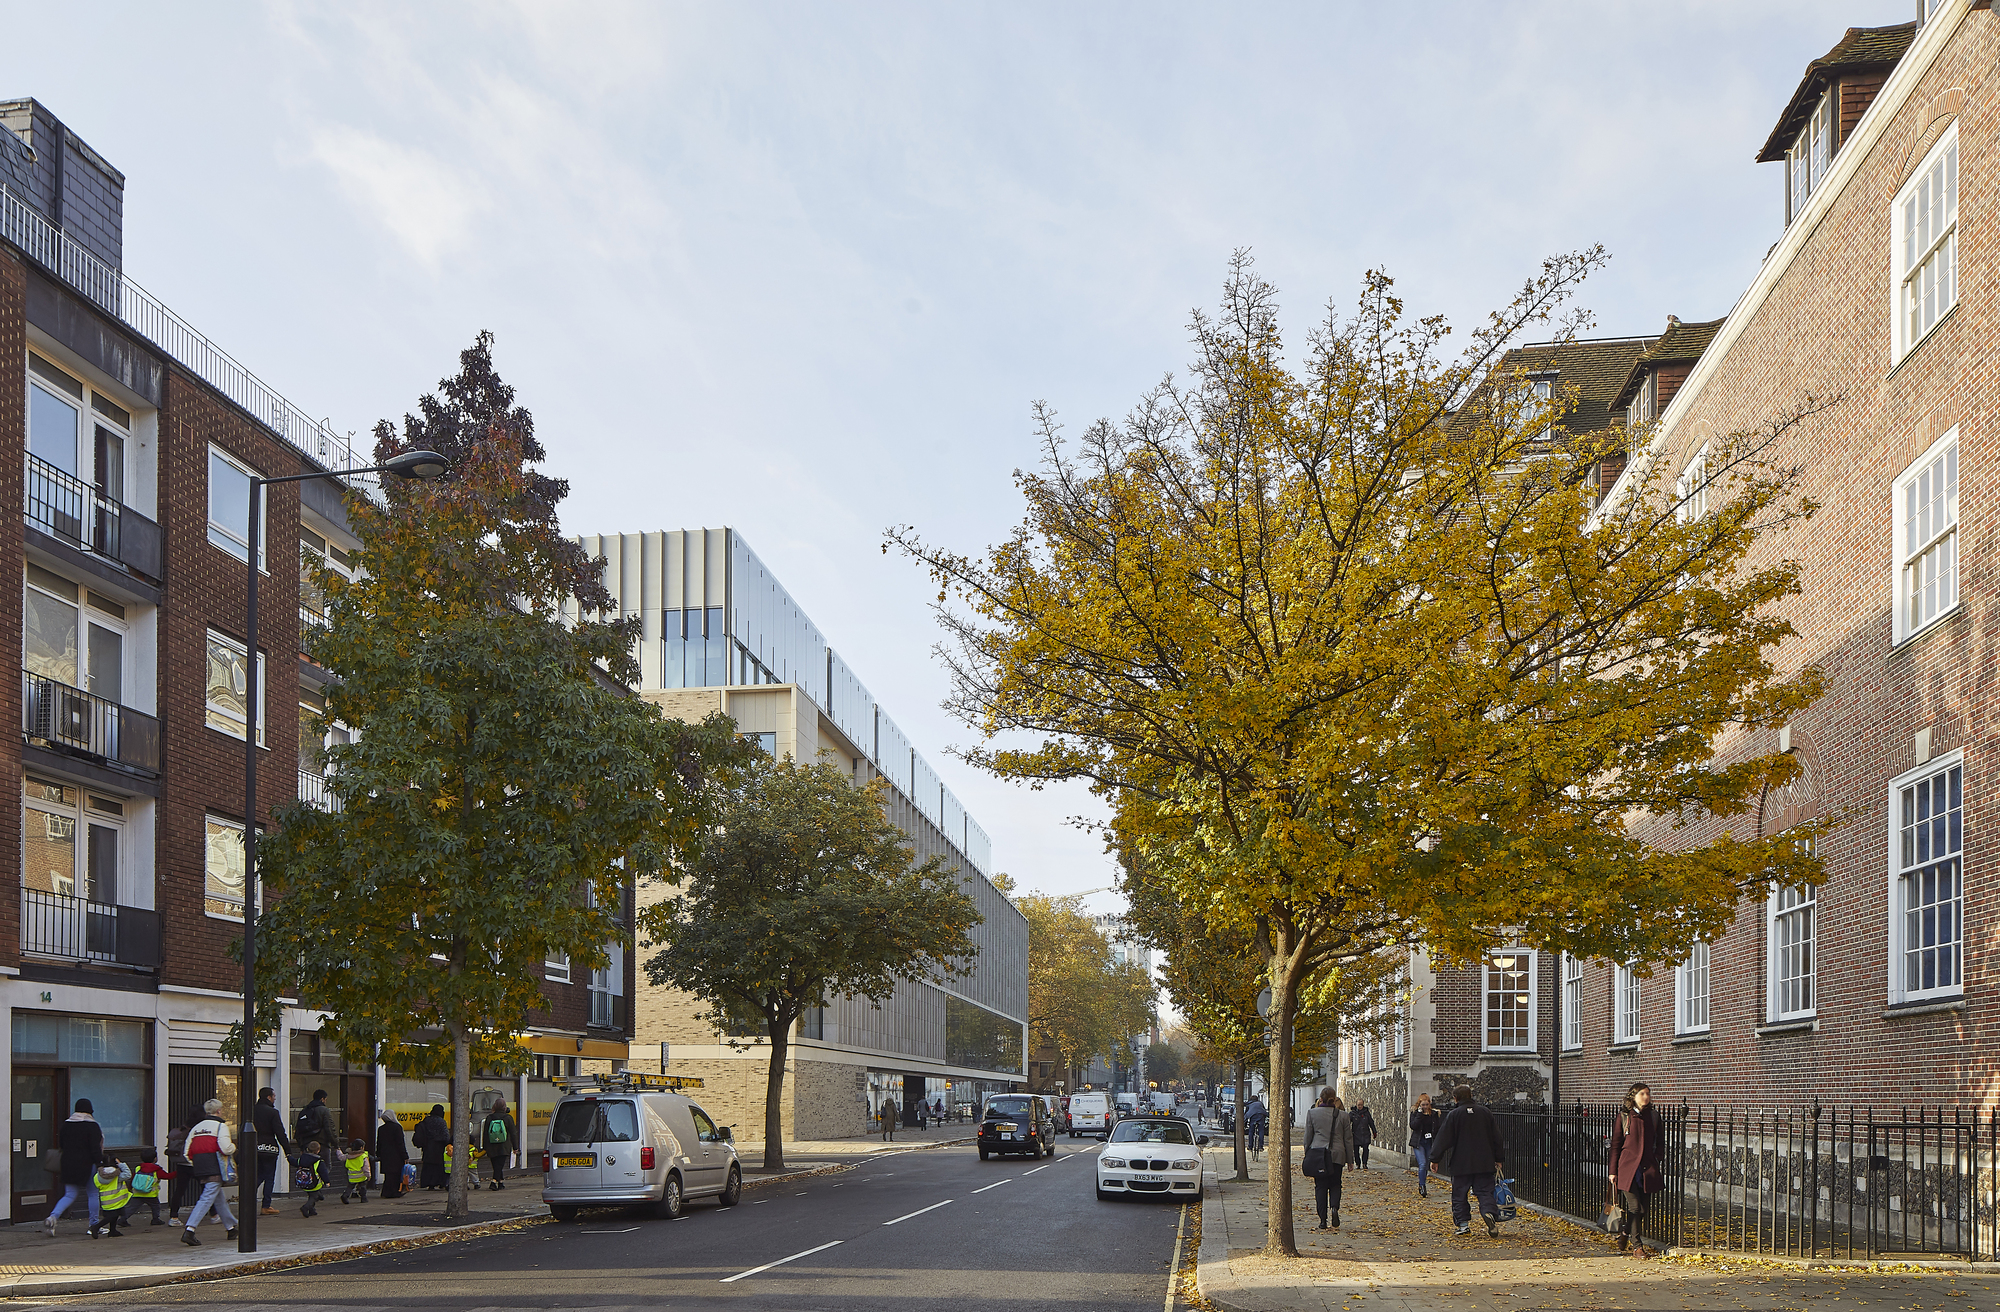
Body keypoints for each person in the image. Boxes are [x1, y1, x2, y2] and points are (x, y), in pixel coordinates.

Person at [1431, 1084, 1505, 1238]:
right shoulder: (1485, 1113)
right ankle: (1488, 1212)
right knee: (1485, 1192)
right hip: (1484, 1161)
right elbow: (1496, 1138)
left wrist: (1435, 1158)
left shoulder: (1454, 1115)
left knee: (1459, 1194)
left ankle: (1463, 1225)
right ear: (1471, 1095)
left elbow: (1443, 1138)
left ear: (1455, 1098)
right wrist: (1499, 1158)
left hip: (1461, 1162)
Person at [1608, 1081, 1666, 1257]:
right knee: (1635, 1208)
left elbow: (1661, 1142)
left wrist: (1657, 1158)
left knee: (1643, 1209)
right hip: (1628, 1169)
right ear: (1633, 1096)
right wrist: (1612, 1171)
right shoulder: (1624, 1117)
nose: (1646, 1097)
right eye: (1642, 1094)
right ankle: (1637, 1246)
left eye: (1648, 1093)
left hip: (1647, 1169)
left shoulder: (1654, 1117)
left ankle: (1625, 1233)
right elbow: (1616, 1145)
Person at [181, 1097, 238, 1245]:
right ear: (219, 1111)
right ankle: (190, 1229)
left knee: (217, 1197)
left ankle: (231, 1227)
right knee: (206, 1198)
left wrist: (197, 1162)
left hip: (200, 1166)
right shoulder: (221, 1127)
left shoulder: (196, 1128)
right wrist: (233, 1148)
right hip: (215, 1165)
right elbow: (226, 1148)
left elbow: (187, 1152)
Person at [45, 1097, 105, 1236]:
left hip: (67, 1163)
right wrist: (100, 1163)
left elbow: (62, 1144)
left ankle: (53, 1217)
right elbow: (95, 1148)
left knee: (70, 1194)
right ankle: (94, 1225)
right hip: (87, 1163)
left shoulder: (66, 1124)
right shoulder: (93, 1125)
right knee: (93, 1194)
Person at [1301, 1089, 1355, 1231]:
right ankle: (1334, 1208)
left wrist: (1307, 1154)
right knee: (1336, 1184)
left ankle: (1322, 1220)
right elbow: (1348, 1139)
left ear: (1321, 1099)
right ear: (1334, 1099)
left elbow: (1308, 1137)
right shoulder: (1343, 1116)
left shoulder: (1312, 1113)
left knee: (1320, 1187)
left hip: (1319, 1154)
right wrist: (1350, 1160)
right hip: (1337, 1155)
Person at [253, 1087, 296, 1216]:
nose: (275, 1098)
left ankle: (247, 1198)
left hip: (255, 1147)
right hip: (269, 1148)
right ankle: (266, 1206)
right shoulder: (272, 1112)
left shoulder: (251, 1111)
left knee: (258, 1175)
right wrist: (287, 1151)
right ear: (268, 1097)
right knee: (269, 1177)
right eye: (274, 1096)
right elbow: (280, 1133)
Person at [1409, 1094, 1442, 1198]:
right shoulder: (1415, 1113)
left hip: (1429, 1141)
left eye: (1427, 1104)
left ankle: (1422, 1181)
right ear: (1419, 1104)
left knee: (1427, 1163)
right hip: (1419, 1142)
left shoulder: (1433, 1114)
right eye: (1423, 1105)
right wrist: (1420, 1114)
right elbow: (1413, 1126)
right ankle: (1422, 1185)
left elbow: (1437, 1127)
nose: (1425, 1107)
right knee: (1422, 1163)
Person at [481, 1100, 517, 1191]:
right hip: (504, 1146)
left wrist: (485, 1146)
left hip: (491, 1145)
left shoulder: (489, 1117)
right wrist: (515, 1147)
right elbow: (513, 1133)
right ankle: (493, 1182)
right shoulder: (508, 1118)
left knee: (496, 1165)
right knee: (499, 1165)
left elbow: (485, 1133)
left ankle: (500, 1182)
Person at [297, 1090, 341, 1163]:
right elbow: (330, 1129)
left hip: (307, 1146)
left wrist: (301, 1147)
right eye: (325, 1099)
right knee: (324, 1168)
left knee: (309, 1168)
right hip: (322, 1145)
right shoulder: (324, 1111)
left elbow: (298, 1130)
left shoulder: (304, 1111)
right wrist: (336, 1145)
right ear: (322, 1099)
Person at [90, 1160, 132, 1238]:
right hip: (117, 1200)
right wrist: (121, 1164)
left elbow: (96, 1184)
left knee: (113, 1216)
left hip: (106, 1201)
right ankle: (96, 1227)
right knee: (112, 1216)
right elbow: (128, 1174)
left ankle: (112, 1231)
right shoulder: (117, 1176)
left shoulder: (97, 1176)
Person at [375, 1109, 410, 1199]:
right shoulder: (397, 1128)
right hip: (396, 1155)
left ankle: (386, 1192)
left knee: (388, 1175)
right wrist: (405, 1155)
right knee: (395, 1175)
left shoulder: (381, 1129)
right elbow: (400, 1143)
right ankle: (393, 1192)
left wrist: (378, 1154)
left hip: (385, 1155)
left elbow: (379, 1143)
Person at [413, 1105, 449, 1190]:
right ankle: (441, 1183)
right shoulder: (441, 1121)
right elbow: (445, 1136)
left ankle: (430, 1184)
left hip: (428, 1147)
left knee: (429, 1166)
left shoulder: (427, 1120)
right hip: (439, 1147)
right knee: (439, 1166)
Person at [129, 1149, 167, 1226]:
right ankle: (155, 1219)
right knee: (155, 1207)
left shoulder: (138, 1168)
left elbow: (133, 1178)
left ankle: (122, 1219)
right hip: (151, 1194)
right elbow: (167, 1176)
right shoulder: (156, 1169)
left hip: (137, 1192)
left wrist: (130, 1188)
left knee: (131, 1208)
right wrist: (177, 1173)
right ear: (155, 1159)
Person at [297, 1140, 328, 1216]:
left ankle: (312, 1210)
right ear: (318, 1150)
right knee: (314, 1196)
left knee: (311, 1195)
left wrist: (289, 1157)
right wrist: (327, 1181)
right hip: (314, 1182)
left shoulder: (302, 1159)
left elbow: (294, 1162)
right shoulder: (319, 1161)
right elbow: (323, 1172)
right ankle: (305, 1207)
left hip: (304, 1182)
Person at [1351, 1100, 1376, 1169]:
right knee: (1356, 1150)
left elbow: (1371, 1122)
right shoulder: (1353, 1113)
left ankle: (1365, 1163)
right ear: (1356, 1105)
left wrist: (1374, 1132)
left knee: (1366, 1149)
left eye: (1361, 1105)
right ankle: (1358, 1163)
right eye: (1359, 1105)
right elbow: (1347, 1123)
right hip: (1356, 1134)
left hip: (1365, 1134)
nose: (1360, 1106)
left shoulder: (1366, 1113)